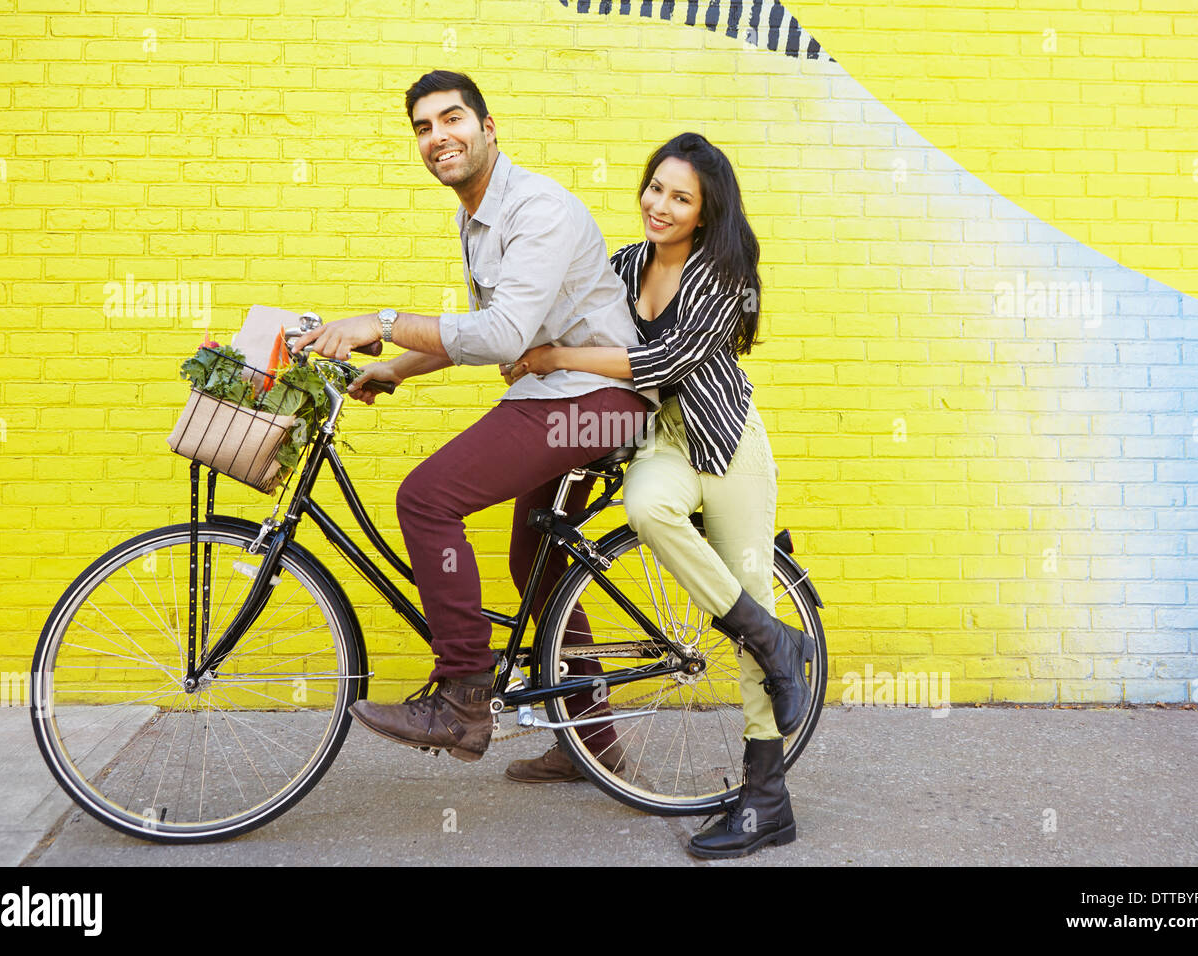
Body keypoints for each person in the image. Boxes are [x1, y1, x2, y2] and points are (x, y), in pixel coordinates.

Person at [292, 70, 653, 766]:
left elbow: (502, 337)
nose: (438, 137)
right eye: (423, 127)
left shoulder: (536, 209)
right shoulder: (478, 213)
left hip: (595, 404)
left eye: (452, 119)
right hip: (562, 396)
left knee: (426, 498)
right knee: (535, 562)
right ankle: (594, 747)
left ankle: (462, 698)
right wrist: (395, 367)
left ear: (489, 129)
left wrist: (386, 322)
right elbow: (489, 327)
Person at [505, 132, 814, 858]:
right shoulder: (624, 264)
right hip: (665, 445)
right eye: (656, 189)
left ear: (704, 214)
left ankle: (767, 800)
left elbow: (660, 358)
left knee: (747, 596)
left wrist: (555, 356)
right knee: (647, 509)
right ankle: (771, 638)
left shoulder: (724, 271)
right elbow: (574, 315)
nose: (661, 206)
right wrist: (515, 343)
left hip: (730, 444)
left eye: (681, 198)